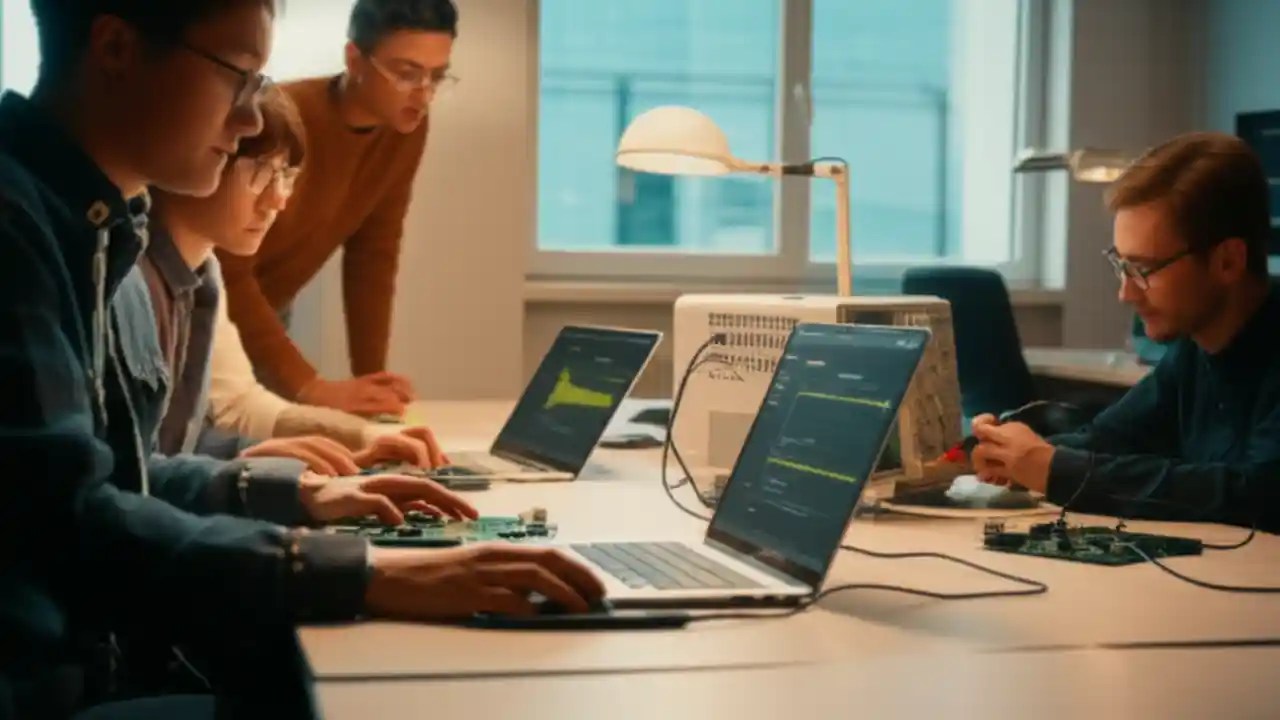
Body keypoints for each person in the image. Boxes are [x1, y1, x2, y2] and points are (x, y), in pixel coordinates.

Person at [0, 2, 603, 717]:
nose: (253, 121)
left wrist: (297, 494)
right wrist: (364, 573)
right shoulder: (17, 231)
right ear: (116, 47)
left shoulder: (93, 227)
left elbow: (119, 477)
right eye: (239, 78)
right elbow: (72, 526)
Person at [971, 132, 1280, 533]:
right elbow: (1110, 439)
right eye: (1121, 265)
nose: (1125, 292)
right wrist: (1013, 454)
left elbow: (1257, 495)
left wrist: (1053, 469)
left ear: (1227, 261)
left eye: (1144, 270)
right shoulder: (1194, 351)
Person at [139, 85, 446, 474]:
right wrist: (261, 476)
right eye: (260, 172)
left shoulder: (204, 272)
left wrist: (365, 437)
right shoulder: (133, 281)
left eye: (286, 175)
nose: (278, 199)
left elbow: (238, 408)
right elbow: (137, 471)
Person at [219, 0, 459, 419]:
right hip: (212, 304)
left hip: (270, 308)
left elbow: (374, 251)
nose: (424, 95)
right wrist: (309, 385)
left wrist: (372, 383)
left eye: (436, 76)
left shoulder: (406, 128)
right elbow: (224, 267)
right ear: (354, 59)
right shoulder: (281, 116)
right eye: (406, 73)